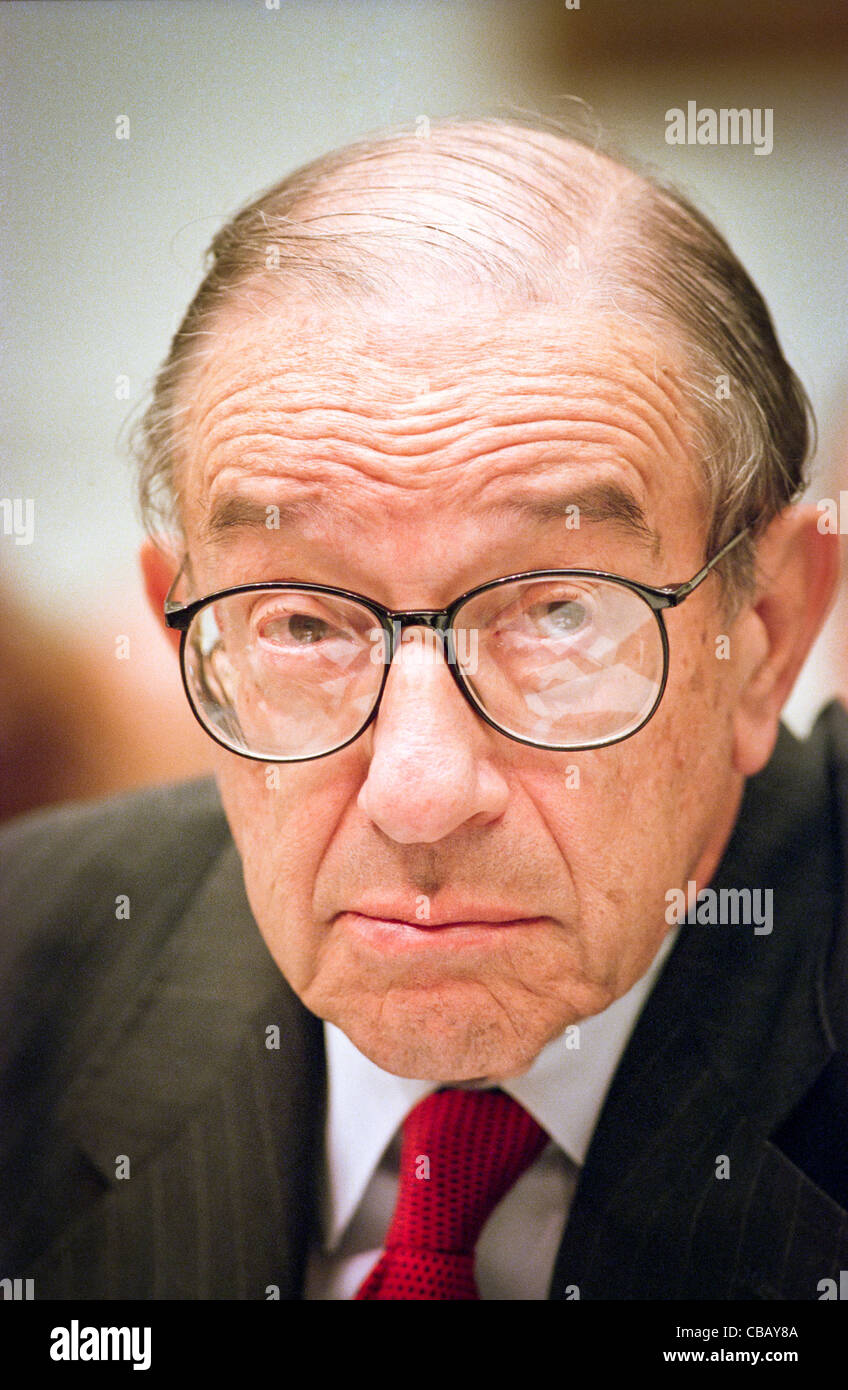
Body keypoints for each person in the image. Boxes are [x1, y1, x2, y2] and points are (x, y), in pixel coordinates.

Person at [1, 115, 846, 1302]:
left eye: (557, 612)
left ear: (761, 640)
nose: (419, 791)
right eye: (300, 622)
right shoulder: (22, 968)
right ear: (186, 626)